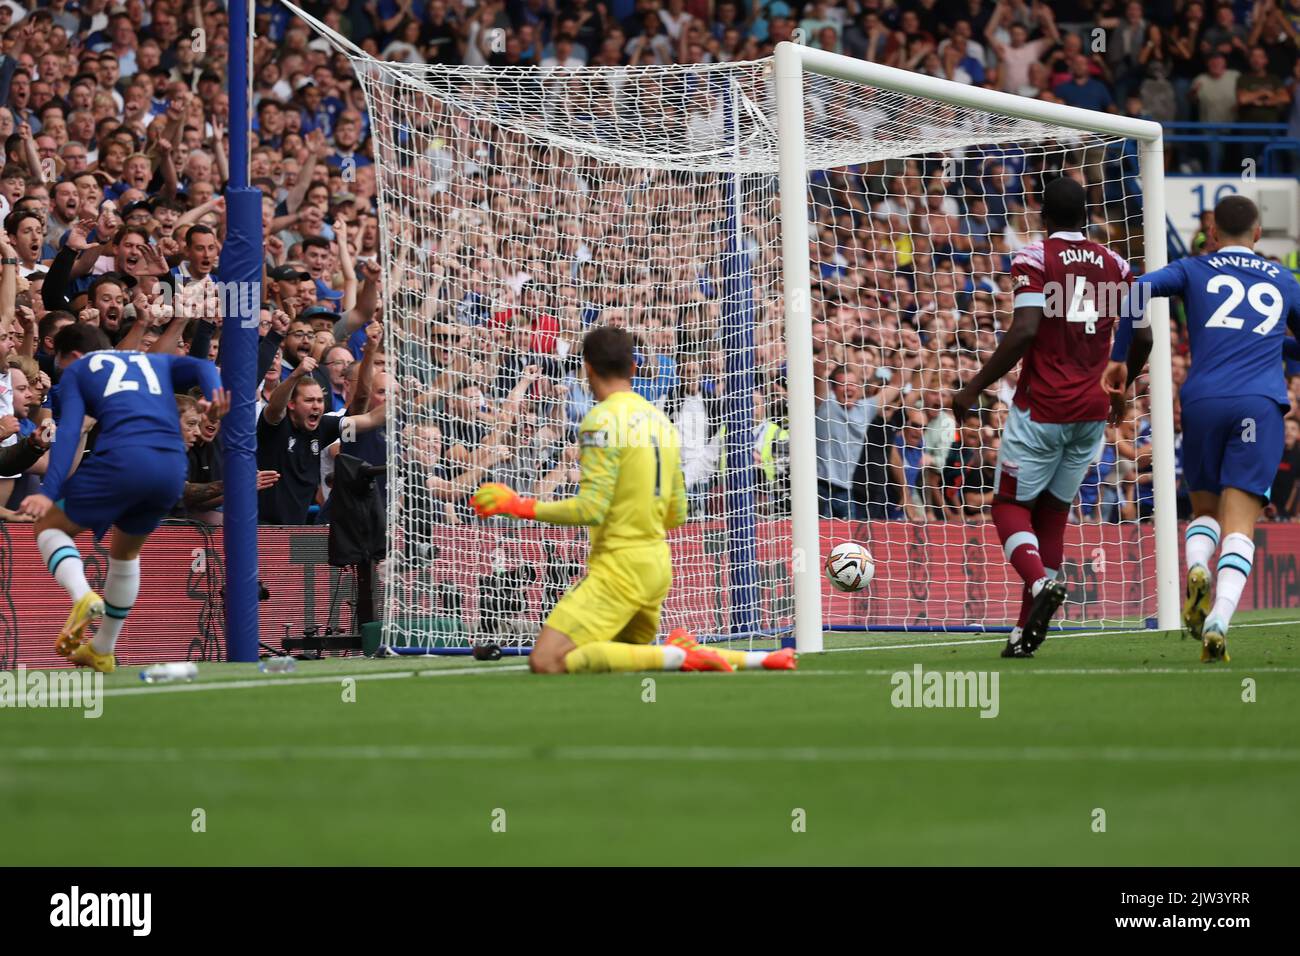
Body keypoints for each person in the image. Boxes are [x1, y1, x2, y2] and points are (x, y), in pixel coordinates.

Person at [470, 325, 795, 675]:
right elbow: (678, 513)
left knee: (546, 660)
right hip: (655, 566)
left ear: (588, 368)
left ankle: (680, 654)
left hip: (619, 569)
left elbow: (590, 508)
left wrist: (518, 505)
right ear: (634, 368)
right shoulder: (660, 421)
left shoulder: (601, 419)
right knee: (622, 664)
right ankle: (756, 658)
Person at [953, 177, 1144, 659]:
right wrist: (1123, 385)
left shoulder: (1034, 259)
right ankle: (1023, 634)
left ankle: (1039, 583)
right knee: (1053, 515)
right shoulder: (1120, 266)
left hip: (1044, 407)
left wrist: (973, 387)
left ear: (1042, 214)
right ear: (1088, 216)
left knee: (1008, 507)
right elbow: (1143, 337)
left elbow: (1025, 329)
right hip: (1093, 410)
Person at [1105, 195, 1300, 662]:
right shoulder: (1285, 280)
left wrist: (1119, 356)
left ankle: (1196, 567)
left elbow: (1132, 291)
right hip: (1257, 405)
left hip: (1201, 403)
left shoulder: (1194, 268)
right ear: (1257, 234)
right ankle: (1218, 620)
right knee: (1240, 523)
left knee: (1204, 511)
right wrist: (1275, 351)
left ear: (1213, 234)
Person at [16, 323, 230, 673]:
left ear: (72, 356)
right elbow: (204, 366)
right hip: (172, 468)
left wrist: (49, 492)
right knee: (126, 552)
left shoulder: (79, 370)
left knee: (49, 527)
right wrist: (215, 393)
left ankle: (82, 595)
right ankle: (102, 649)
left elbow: (69, 430)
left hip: (124, 459)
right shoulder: (150, 361)